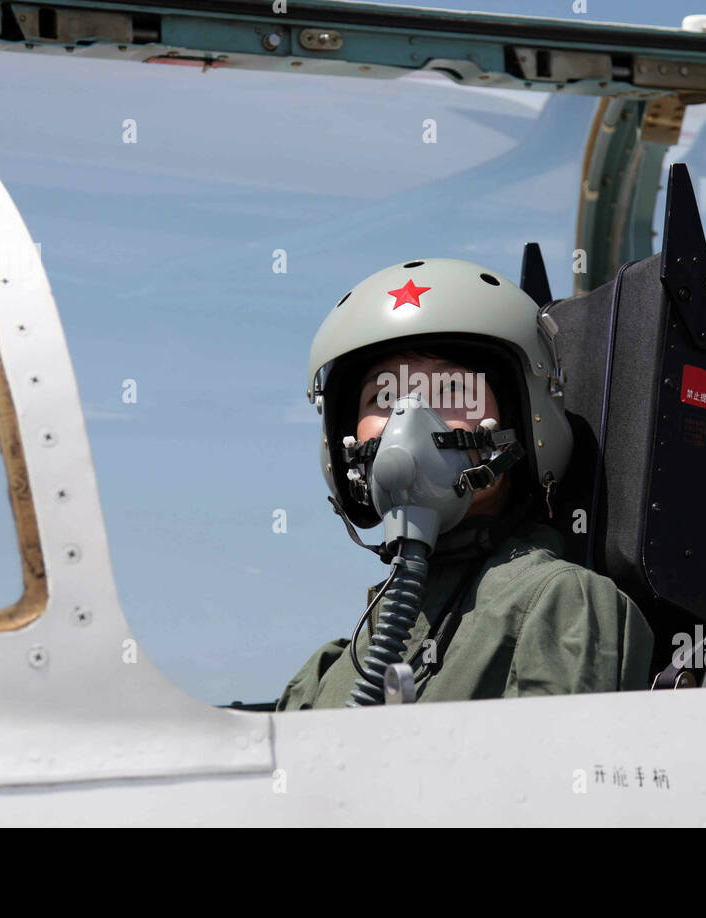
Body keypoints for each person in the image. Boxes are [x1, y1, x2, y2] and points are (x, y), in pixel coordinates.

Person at [277, 258, 653, 709]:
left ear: (521, 424)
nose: (407, 417)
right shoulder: (334, 668)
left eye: (453, 390)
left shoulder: (559, 605)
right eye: (384, 396)